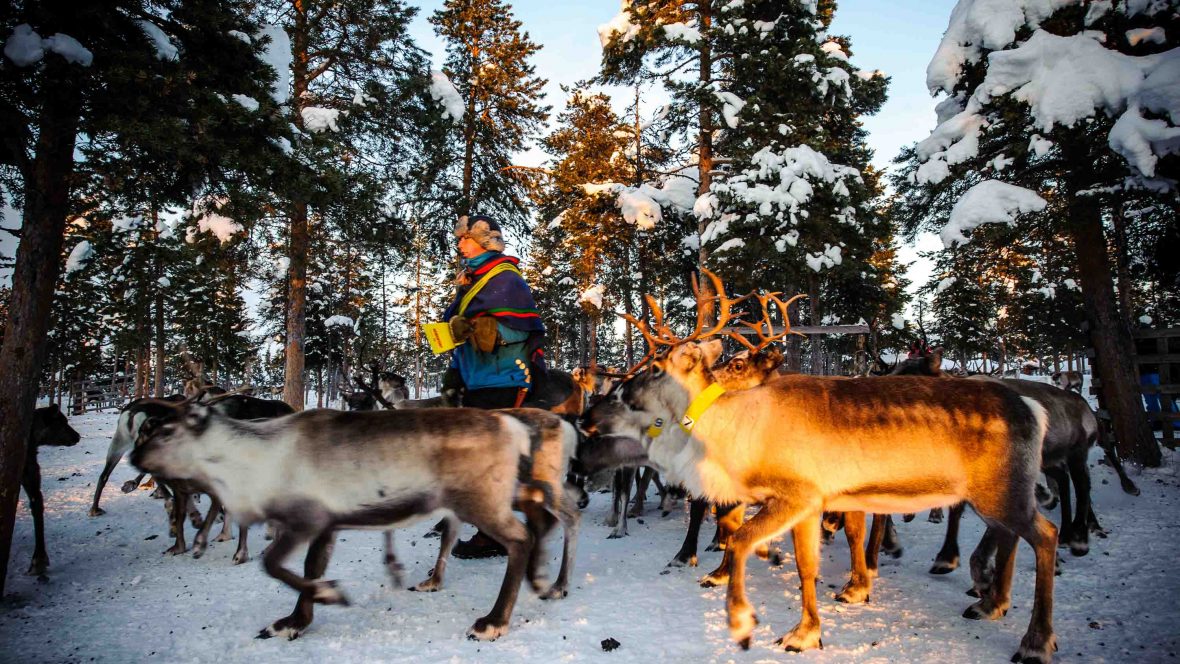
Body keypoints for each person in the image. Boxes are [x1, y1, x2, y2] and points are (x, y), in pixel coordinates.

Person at [442, 213, 547, 558]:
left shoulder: (505, 278)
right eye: (459, 239)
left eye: (466, 239)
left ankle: (497, 533)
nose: (460, 244)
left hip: (504, 378)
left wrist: (484, 332)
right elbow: (461, 332)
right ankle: (479, 519)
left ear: (485, 242)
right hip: (477, 378)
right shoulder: (472, 279)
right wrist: (456, 366)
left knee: (492, 458)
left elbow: (526, 329)